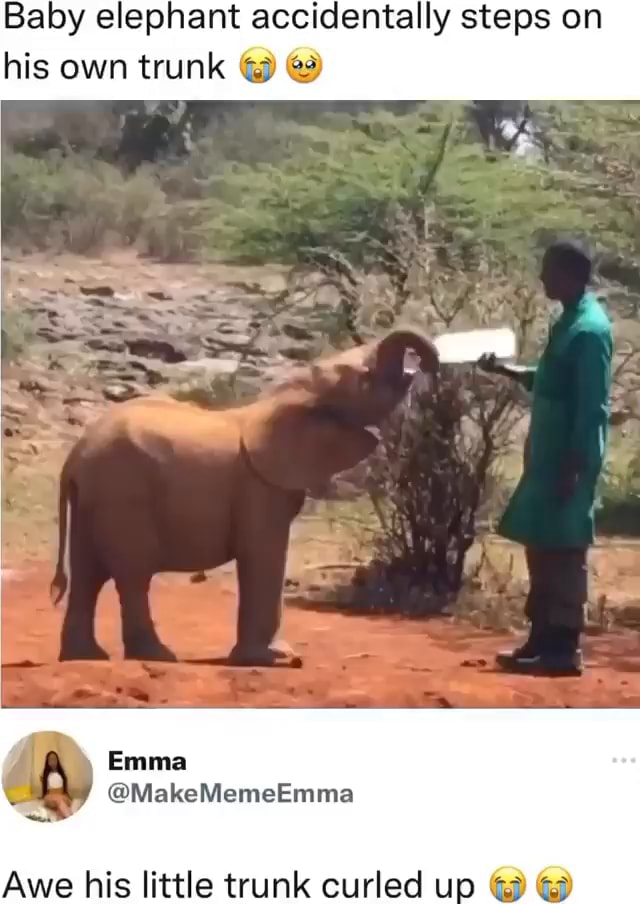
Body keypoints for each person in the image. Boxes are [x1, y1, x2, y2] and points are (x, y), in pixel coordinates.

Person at [478, 239, 613, 676]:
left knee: (565, 549)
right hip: (548, 456)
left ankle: (564, 648)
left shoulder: (590, 330)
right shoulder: (569, 321)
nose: (542, 278)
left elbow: (592, 405)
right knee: (540, 543)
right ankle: (540, 638)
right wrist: (505, 370)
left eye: (549, 270)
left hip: (568, 460)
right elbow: (552, 379)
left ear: (570, 275)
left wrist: (575, 465)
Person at [41, 751, 73, 819]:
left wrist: (66, 796)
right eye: (50, 759)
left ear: (57, 760)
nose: (53, 761)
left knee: (59, 803)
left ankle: (64, 817)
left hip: (62, 796)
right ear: (47, 762)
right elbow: (44, 789)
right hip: (50, 797)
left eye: (54, 759)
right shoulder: (45, 774)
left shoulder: (62, 773)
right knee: (58, 800)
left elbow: (65, 789)